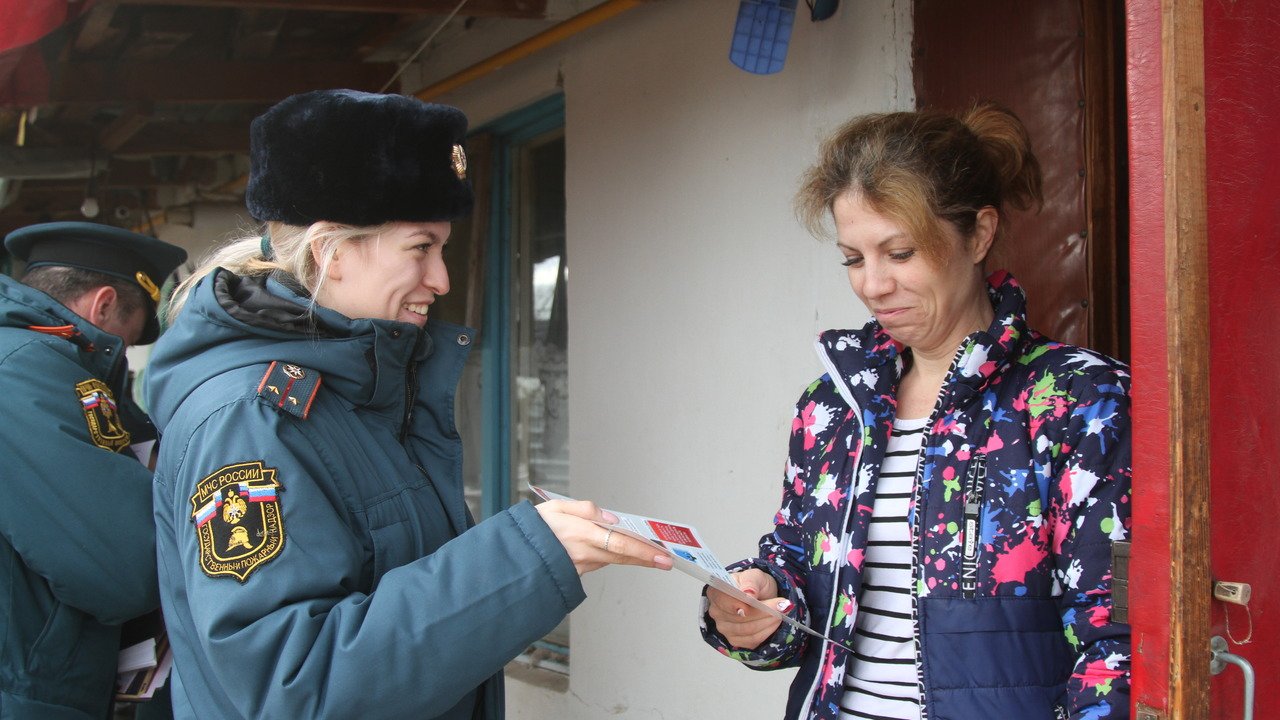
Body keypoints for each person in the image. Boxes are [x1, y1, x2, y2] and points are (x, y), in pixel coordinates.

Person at [145, 89, 672, 720]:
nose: (442, 279)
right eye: (421, 249)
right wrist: (525, 558)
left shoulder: (357, 392)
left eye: (443, 250)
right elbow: (292, 684)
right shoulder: (251, 419)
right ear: (329, 253)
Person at [700, 104, 1131, 720]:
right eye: (853, 258)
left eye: (899, 253)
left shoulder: (1079, 403)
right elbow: (797, 582)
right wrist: (760, 603)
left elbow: (1122, 636)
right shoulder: (832, 410)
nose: (872, 285)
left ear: (979, 235)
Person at [0, 221, 187, 718]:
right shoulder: (23, 372)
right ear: (103, 304)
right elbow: (123, 568)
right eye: (128, 337)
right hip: (27, 692)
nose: (124, 354)